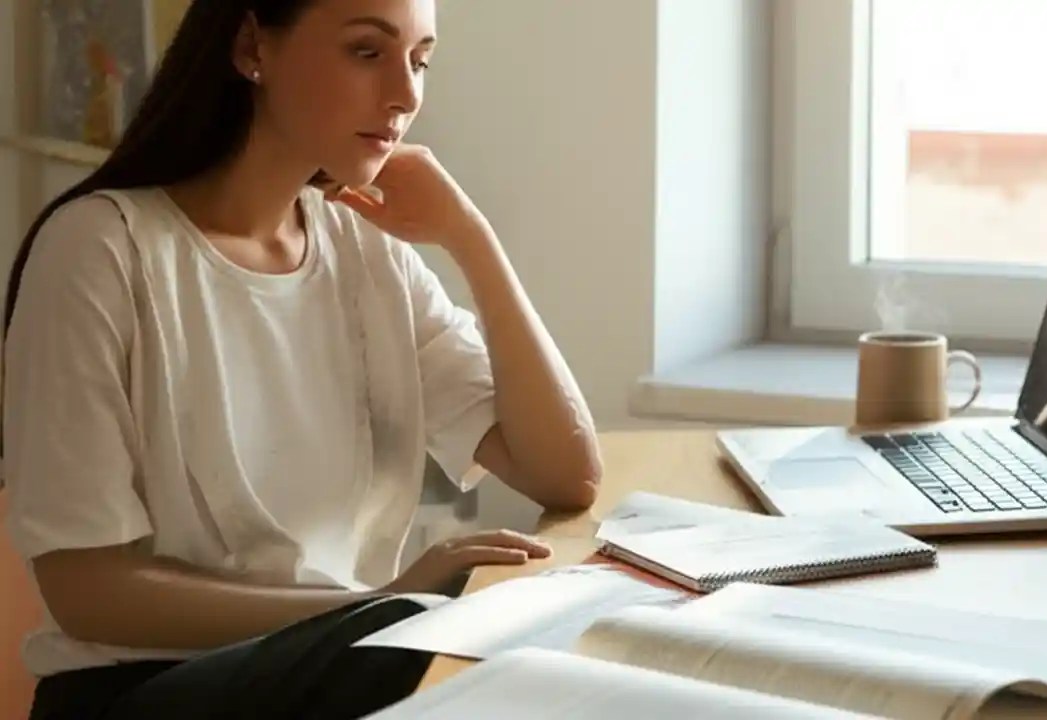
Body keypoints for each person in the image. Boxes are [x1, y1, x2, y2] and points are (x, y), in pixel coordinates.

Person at [2, 1, 603, 718]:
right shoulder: (98, 251)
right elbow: (90, 594)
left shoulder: (367, 252)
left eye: (420, 61)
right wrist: (375, 605)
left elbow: (565, 474)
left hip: (339, 660)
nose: (406, 95)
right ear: (253, 44)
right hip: (138, 691)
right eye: (366, 52)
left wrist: (470, 238)